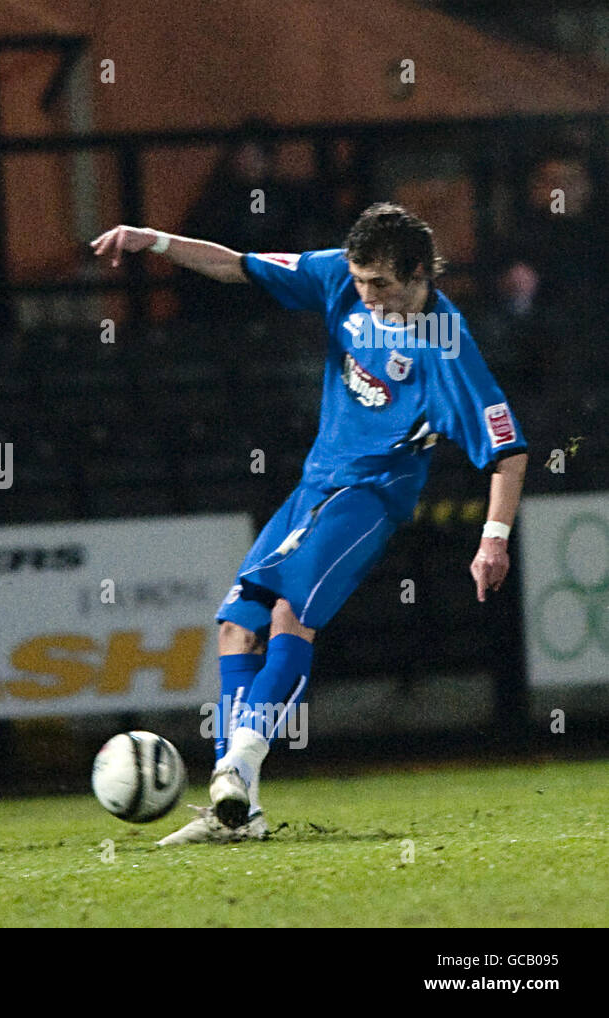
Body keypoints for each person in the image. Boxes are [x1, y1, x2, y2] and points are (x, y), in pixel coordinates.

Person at [91, 203, 528, 844]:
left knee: (291, 615)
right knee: (236, 622)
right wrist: (153, 240)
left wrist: (493, 541)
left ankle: (237, 766)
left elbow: (509, 450)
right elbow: (235, 266)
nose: (365, 295)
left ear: (416, 274)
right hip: (312, 488)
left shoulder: (448, 344)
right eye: (359, 280)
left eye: (379, 284)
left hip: (369, 499)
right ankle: (238, 812)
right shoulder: (338, 278)